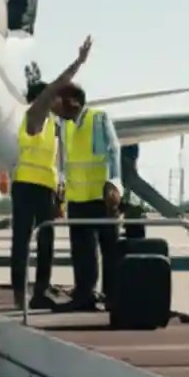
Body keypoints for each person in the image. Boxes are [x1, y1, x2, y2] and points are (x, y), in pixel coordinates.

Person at [10, 36, 93, 309]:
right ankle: (19, 295)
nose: (57, 102)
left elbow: (54, 164)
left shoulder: (54, 126)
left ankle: (40, 293)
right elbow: (55, 88)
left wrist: (59, 194)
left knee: (47, 243)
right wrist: (77, 63)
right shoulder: (33, 116)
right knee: (22, 243)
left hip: (45, 189)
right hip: (25, 187)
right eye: (52, 98)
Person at [56, 81, 122, 311]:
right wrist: (61, 187)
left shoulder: (98, 118)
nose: (56, 106)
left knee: (110, 250)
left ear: (72, 101)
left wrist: (114, 184)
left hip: (101, 198)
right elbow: (66, 161)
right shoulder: (65, 126)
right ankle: (84, 296)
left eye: (59, 100)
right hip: (77, 199)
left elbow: (114, 150)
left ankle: (113, 297)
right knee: (82, 253)